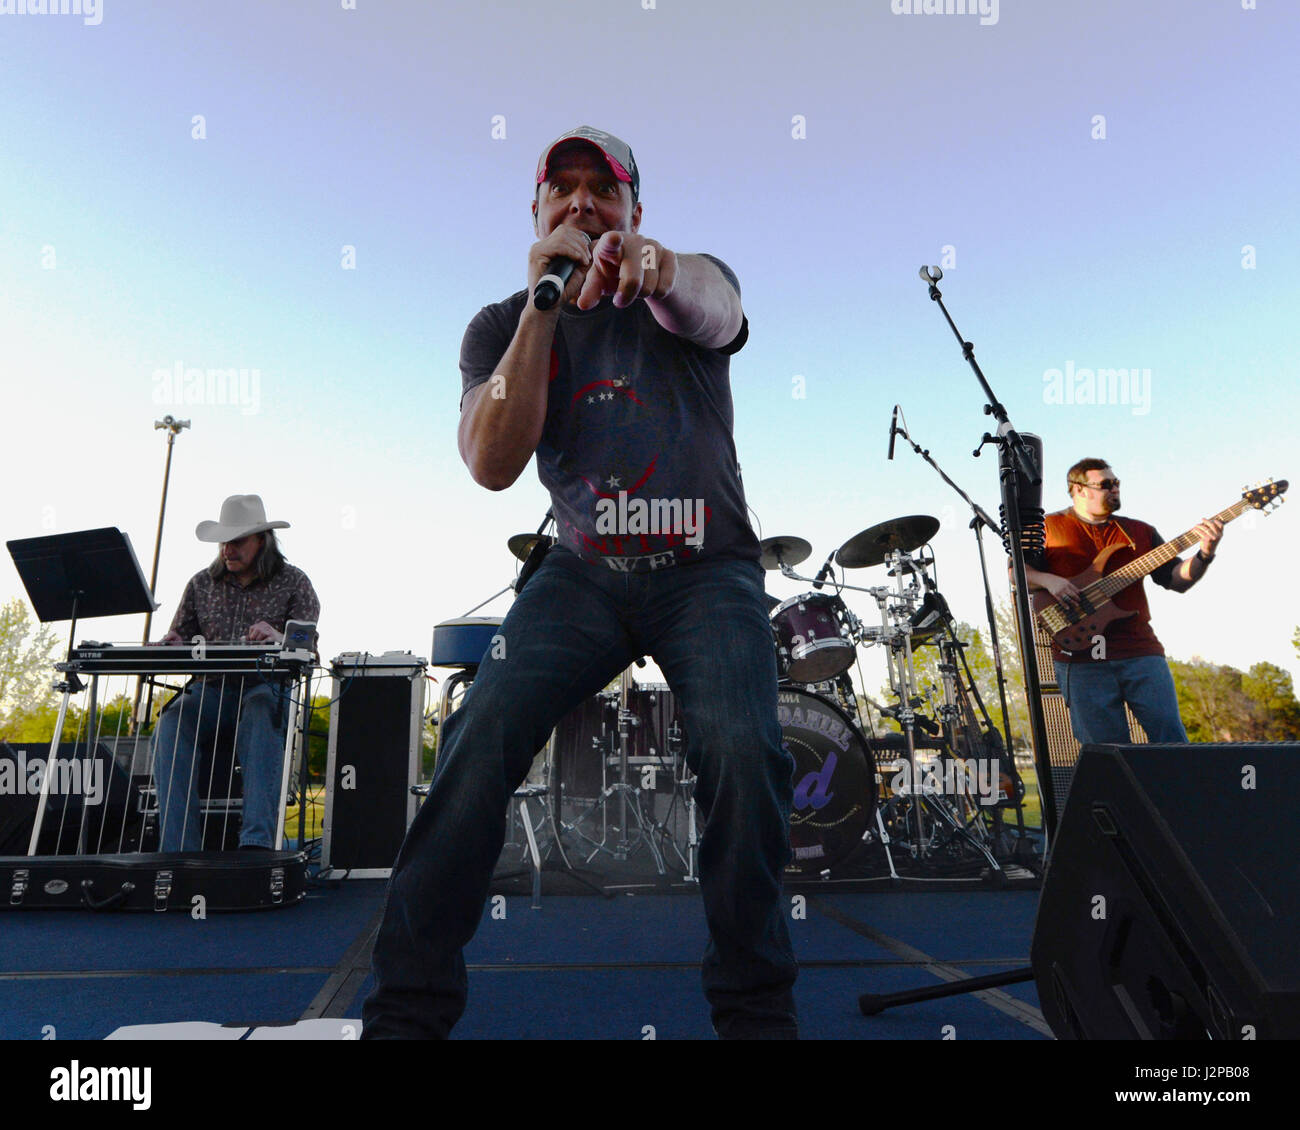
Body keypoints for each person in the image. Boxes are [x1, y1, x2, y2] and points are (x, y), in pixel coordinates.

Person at [362, 126, 798, 1039]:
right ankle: (405, 1016)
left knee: (744, 751)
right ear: (535, 213)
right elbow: (490, 461)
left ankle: (757, 1018)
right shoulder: (502, 324)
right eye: (562, 189)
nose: (583, 204)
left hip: (706, 565)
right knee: (477, 736)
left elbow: (718, 306)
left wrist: (664, 268)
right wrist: (541, 312)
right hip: (582, 571)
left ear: (636, 209)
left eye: (604, 190)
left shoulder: (681, 287)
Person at [151, 494, 320, 851]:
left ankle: (256, 845)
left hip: (266, 688)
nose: (228, 549)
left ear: (263, 541)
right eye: (224, 542)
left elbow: (309, 649)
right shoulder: (200, 583)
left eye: (237, 541)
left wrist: (280, 637)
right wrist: (173, 643)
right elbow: (180, 635)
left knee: (260, 714)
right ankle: (177, 850)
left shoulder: (294, 582)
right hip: (210, 690)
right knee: (172, 721)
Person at [1024, 459, 1223, 744]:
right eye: (1106, 484)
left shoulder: (1140, 532)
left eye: (1116, 483)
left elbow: (1176, 580)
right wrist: (1049, 581)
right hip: (1082, 658)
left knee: (1173, 743)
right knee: (1107, 757)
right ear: (1079, 490)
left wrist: (1205, 552)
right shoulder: (1047, 528)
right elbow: (1018, 575)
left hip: (1140, 652)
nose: (1115, 488)